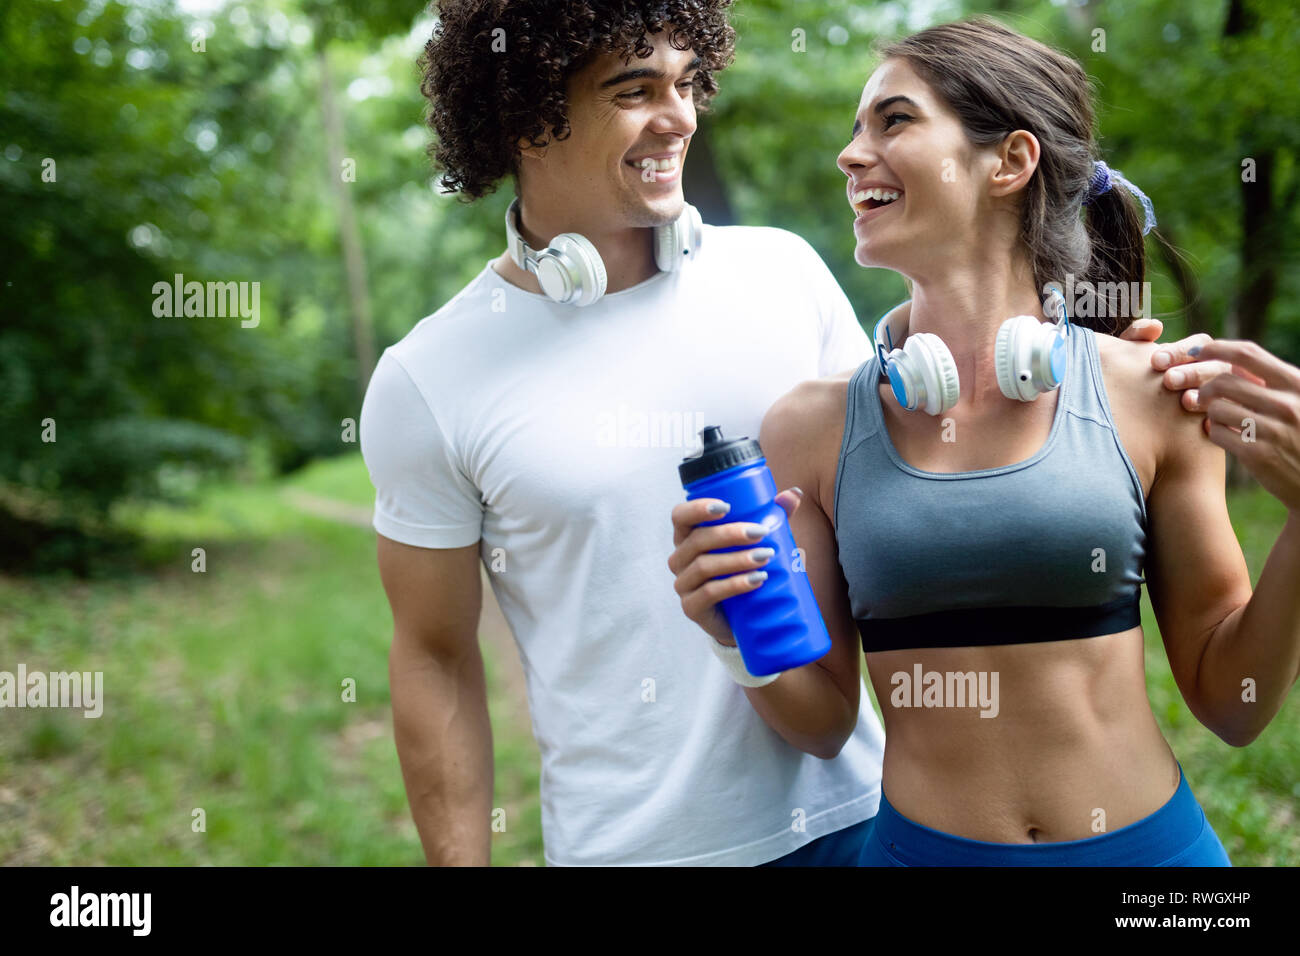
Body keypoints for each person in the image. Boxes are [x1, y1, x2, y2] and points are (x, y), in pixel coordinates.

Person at [363, 2, 1210, 866]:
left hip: (864, 822)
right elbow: (434, 661)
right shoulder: (430, 377)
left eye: (689, 84)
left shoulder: (782, 273)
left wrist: (1089, 365)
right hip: (638, 850)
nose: (682, 116)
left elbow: (917, 442)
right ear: (525, 113)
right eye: (635, 90)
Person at [670, 16, 1300, 866]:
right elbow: (822, 725)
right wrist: (731, 632)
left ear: (1009, 161)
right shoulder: (811, 427)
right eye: (854, 129)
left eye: (892, 120)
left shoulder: (1152, 393)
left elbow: (1235, 704)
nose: (850, 155)